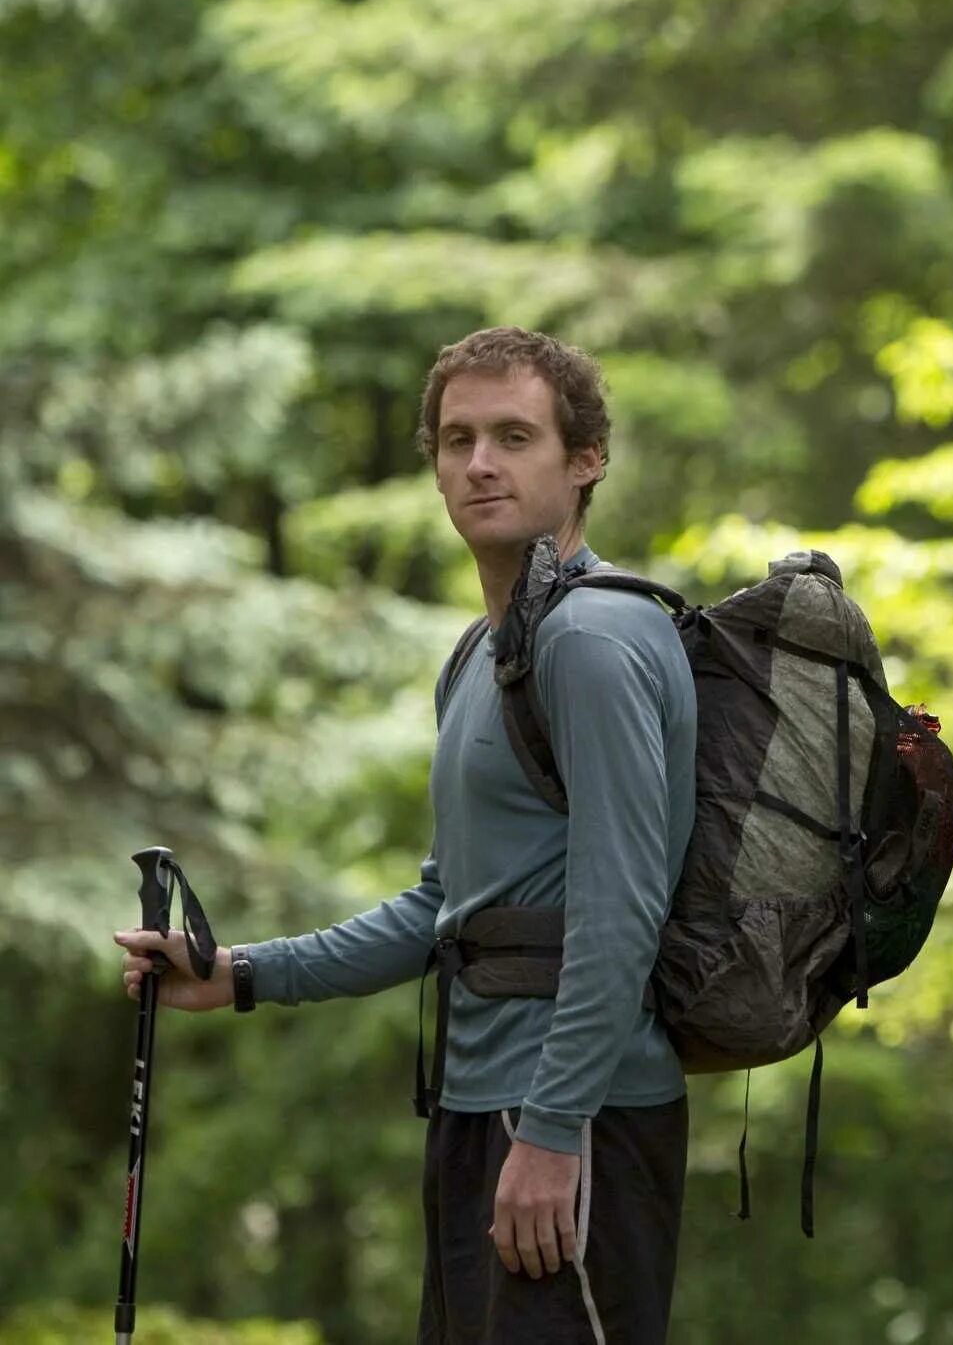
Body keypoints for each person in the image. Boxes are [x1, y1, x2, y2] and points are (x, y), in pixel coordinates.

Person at [115, 327, 697, 1345]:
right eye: (457, 439)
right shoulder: (482, 652)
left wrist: (555, 1131)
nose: (479, 463)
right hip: (483, 1112)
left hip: (573, 1121)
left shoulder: (593, 643)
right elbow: (443, 907)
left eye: (514, 436)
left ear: (585, 459)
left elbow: (622, 909)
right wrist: (242, 974)